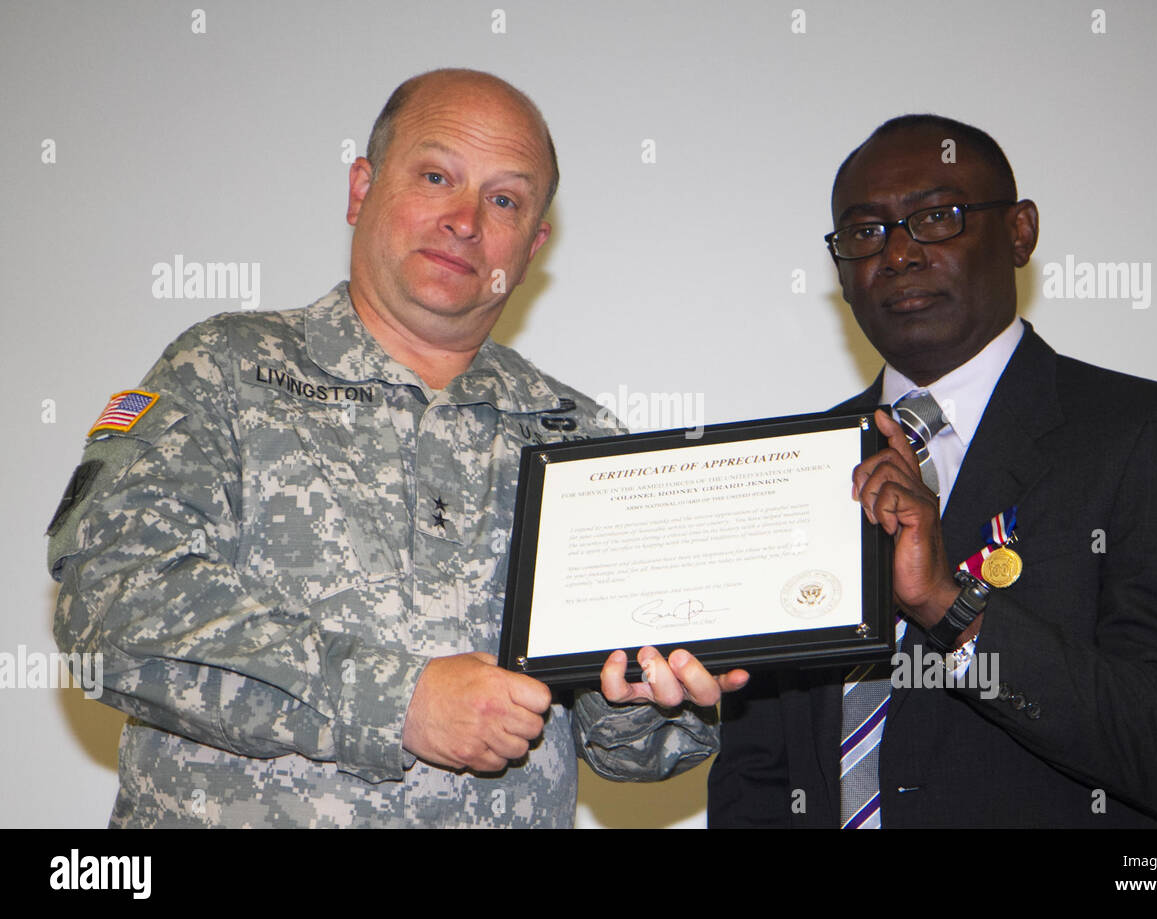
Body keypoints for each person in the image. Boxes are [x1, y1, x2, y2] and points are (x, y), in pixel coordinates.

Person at [47, 68, 746, 828]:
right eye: (437, 175)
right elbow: (109, 607)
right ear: (361, 189)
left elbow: (627, 751)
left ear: (534, 242)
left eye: (504, 199)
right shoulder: (223, 368)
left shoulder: (581, 437)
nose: (465, 219)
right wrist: (397, 700)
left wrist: (645, 703)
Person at [707, 115, 1157, 828]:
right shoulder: (800, 466)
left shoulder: (1148, 434)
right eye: (866, 233)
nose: (898, 254)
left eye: (935, 218)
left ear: (1020, 232)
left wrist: (950, 607)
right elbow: (757, 774)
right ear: (840, 271)